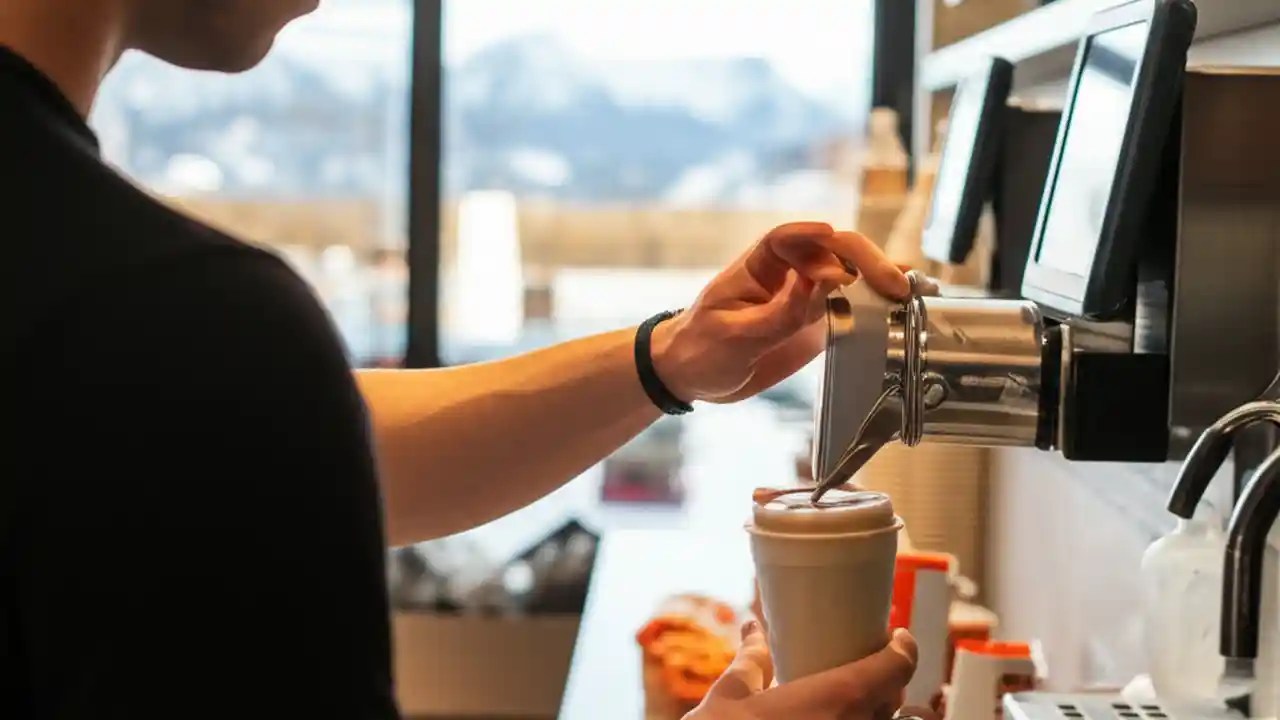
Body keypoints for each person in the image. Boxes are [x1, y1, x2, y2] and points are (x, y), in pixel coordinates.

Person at [1, 0, 916, 717]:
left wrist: (668, 359)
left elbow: (255, 448)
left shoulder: (108, 314)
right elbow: (232, 410)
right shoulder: (164, 315)